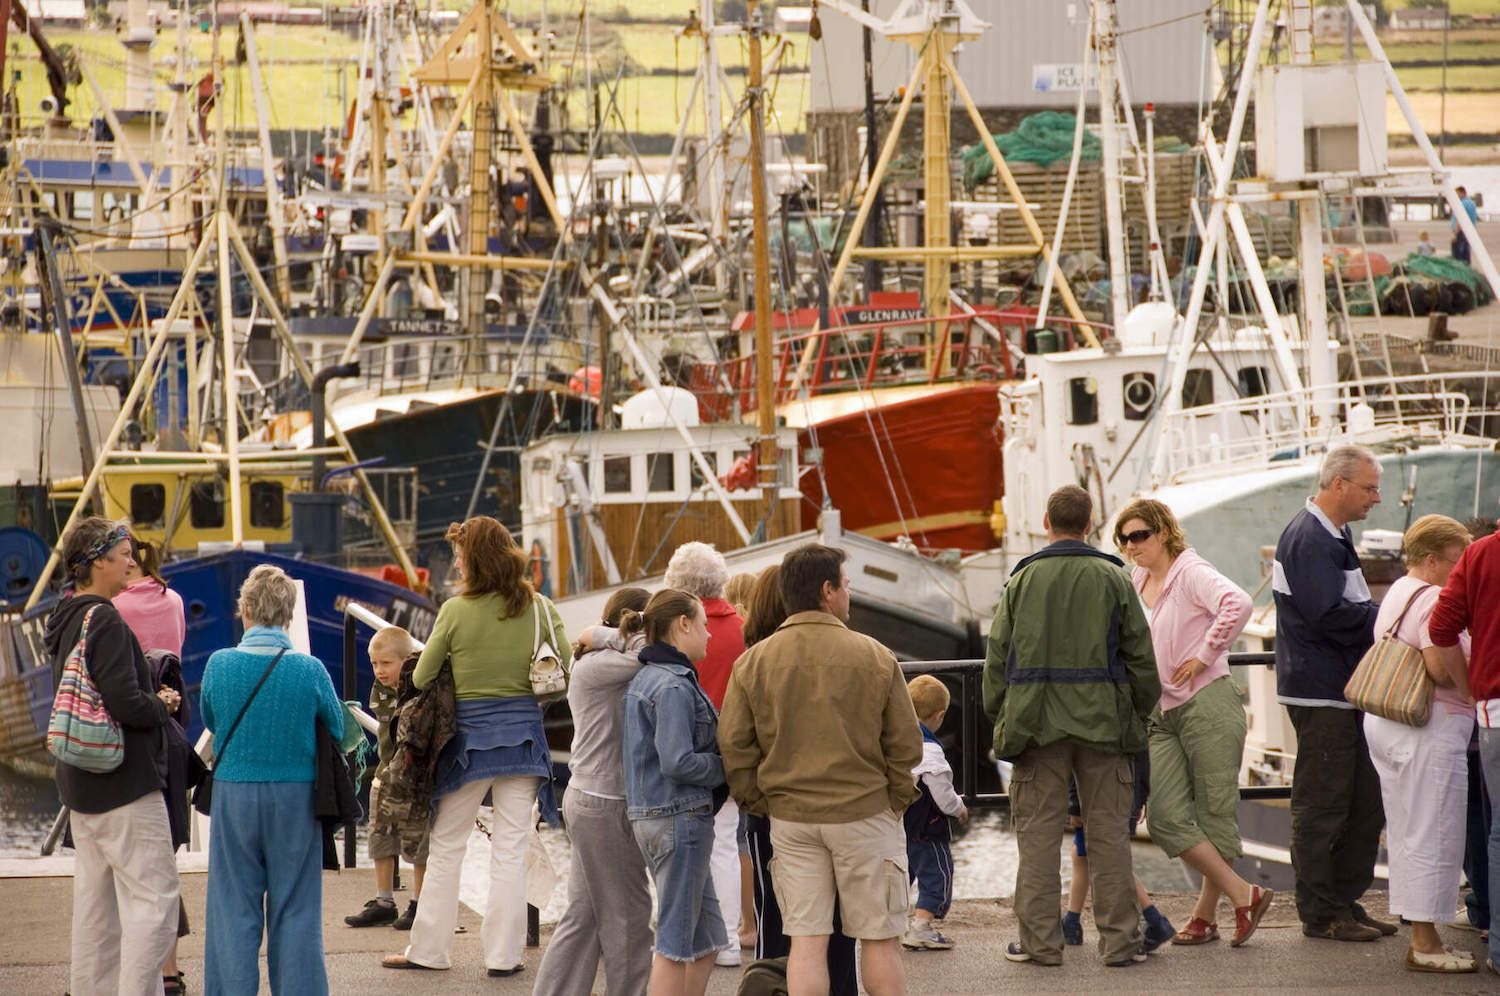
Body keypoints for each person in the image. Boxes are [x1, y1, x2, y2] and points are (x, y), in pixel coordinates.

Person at [719, 544, 922, 996]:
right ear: (827, 591)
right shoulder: (874, 655)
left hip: (791, 818)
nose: (850, 594)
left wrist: (763, 801)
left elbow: (734, 745)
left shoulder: (753, 661)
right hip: (864, 812)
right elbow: (907, 745)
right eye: (847, 585)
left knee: (806, 942)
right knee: (879, 940)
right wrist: (895, 800)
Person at [982, 485, 1160, 968]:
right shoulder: (1114, 578)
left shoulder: (1021, 582)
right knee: (1108, 838)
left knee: (1037, 841)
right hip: (1105, 726)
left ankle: (1041, 946)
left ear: (1046, 522)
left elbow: (997, 660)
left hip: (1036, 726)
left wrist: (1002, 713)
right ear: (1090, 524)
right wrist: (1138, 714)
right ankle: (1120, 944)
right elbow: (1141, 660)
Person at [383, 516, 569, 977]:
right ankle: (504, 957)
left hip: (468, 746)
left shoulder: (455, 611)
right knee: (510, 846)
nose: (457, 564)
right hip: (524, 742)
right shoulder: (540, 608)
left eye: (462, 556)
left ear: (477, 561)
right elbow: (562, 666)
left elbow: (423, 676)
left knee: (447, 845)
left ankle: (429, 950)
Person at [1113, 498, 1270, 947]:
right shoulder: (1136, 577)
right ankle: (1245, 894)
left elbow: (1237, 604)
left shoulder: (1190, 571)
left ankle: (1205, 916)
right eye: (1124, 540)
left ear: (1162, 532)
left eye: (1139, 536)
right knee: (1163, 817)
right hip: (1160, 711)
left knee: (1215, 811)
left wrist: (1203, 655)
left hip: (1207, 702)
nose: (1131, 546)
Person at [47, 518, 181, 996]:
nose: (132, 560)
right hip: (123, 783)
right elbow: (125, 703)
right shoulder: (105, 619)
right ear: (97, 561)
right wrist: (160, 703)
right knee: (156, 900)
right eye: (123, 553)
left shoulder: (67, 617)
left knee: (96, 908)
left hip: (82, 786)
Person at [200, 563, 345, 994]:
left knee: (232, 905)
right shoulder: (310, 669)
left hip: (234, 794)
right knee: (297, 907)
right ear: (289, 614)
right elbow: (336, 728)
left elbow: (211, 718)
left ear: (244, 609)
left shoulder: (218, 665)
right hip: (296, 796)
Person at [1272, 445, 1389, 942]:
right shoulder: (1309, 538)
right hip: (1322, 692)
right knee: (1324, 804)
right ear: (1338, 484)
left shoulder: (1330, 533)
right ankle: (1321, 912)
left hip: (1339, 691)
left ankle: (1342, 900)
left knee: (1364, 799)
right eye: (1369, 488)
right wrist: (1389, 617)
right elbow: (1329, 615)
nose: (1376, 498)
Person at [737, 564, 860, 994]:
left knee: (780, 925)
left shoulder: (754, 661)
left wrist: (754, 798)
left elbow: (737, 742)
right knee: (837, 926)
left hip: (772, 807)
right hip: (839, 810)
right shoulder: (841, 654)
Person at [1363, 515, 1476, 973]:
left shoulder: (1398, 590)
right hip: (1428, 726)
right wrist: (1472, 683)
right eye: (1458, 560)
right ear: (1433, 560)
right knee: (1436, 831)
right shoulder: (1433, 598)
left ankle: (1421, 933)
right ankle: (1426, 943)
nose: (1463, 570)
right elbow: (1438, 667)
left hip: (1387, 724)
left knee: (1409, 831)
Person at [534, 587, 654, 996]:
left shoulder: (593, 659)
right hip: (606, 801)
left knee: (584, 915)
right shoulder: (605, 662)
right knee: (630, 915)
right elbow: (654, 651)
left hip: (589, 797)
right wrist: (606, 634)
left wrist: (603, 633)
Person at [623, 588, 728, 996]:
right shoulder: (672, 686)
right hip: (678, 818)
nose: (709, 635)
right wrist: (727, 768)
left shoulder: (645, 679)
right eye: (703, 625)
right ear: (682, 624)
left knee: (707, 942)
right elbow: (677, 761)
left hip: (657, 815)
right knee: (674, 944)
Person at [113, 535, 193, 994]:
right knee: (166, 849)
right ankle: (170, 968)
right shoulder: (176, 599)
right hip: (174, 722)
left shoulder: (115, 608)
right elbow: (177, 648)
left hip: (134, 725)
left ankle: (140, 970)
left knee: (136, 858)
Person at [664, 541, 749, 967]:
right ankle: (728, 944)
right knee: (725, 848)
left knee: (676, 849)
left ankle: (680, 940)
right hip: (728, 752)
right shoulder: (742, 629)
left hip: (679, 752)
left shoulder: (675, 630)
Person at [1431, 501, 1500, 975]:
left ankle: (1499, 945)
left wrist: (1472, 686)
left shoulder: (1479, 555)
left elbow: (1440, 628)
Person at [345, 626, 428, 931]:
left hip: (415, 778)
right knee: (381, 834)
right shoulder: (380, 690)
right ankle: (384, 901)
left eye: (387, 663)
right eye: (375, 664)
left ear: (407, 660)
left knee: (418, 841)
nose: (379, 670)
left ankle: (419, 902)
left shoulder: (420, 688)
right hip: (384, 772)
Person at [1060, 757, 1173, 952]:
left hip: (1098, 793)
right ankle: (1072, 922)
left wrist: (1075, 803)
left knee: (1109, 858)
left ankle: (1155, 920)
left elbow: (1079, 753)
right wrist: (1140, 798)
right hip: (1127, 791)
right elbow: (1141, 753)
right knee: (1082, 855)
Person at [900, 675, 968, 952]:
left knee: (905, 873)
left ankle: (895, 923)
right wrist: (959, 808)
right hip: (928, 828)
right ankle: (922, 928)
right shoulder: (930, 751)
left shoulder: (900, 741)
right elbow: (941, 791)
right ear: (939, 716)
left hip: (902, 825)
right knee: (938, 874)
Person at [1451, 186, 1479, 265]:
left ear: (1462, 193)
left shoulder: (1461, 203)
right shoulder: (1471, 203)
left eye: (1457, 194)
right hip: (1470, 229)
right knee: (1466, 250)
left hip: (1461, 231)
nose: (1456, 196)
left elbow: (1460, 218)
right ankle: (1467, 265)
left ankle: (1460, 268)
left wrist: (1455, 233)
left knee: (1459, 252)